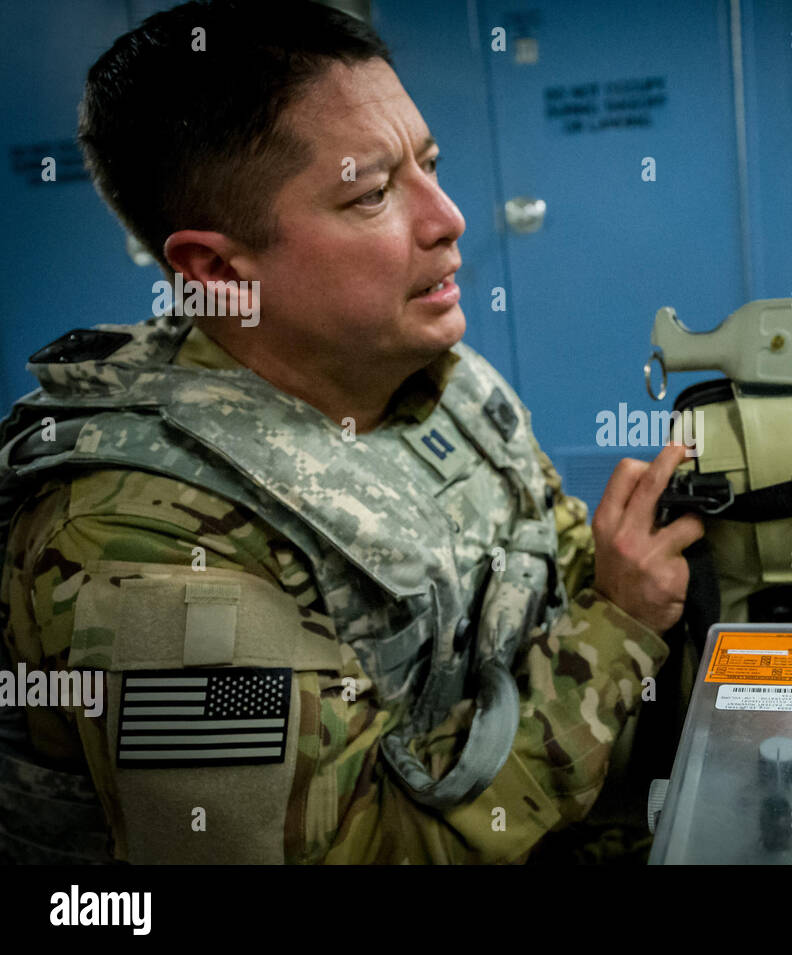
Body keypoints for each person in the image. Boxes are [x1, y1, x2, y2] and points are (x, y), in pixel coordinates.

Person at [0, 0, 703, 864]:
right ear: (218, 270)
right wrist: (618, 634)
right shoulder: (143, 545)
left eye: (430, 164)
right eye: (371, 193)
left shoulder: (434, 376)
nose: (448, 218)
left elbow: (558, 566)